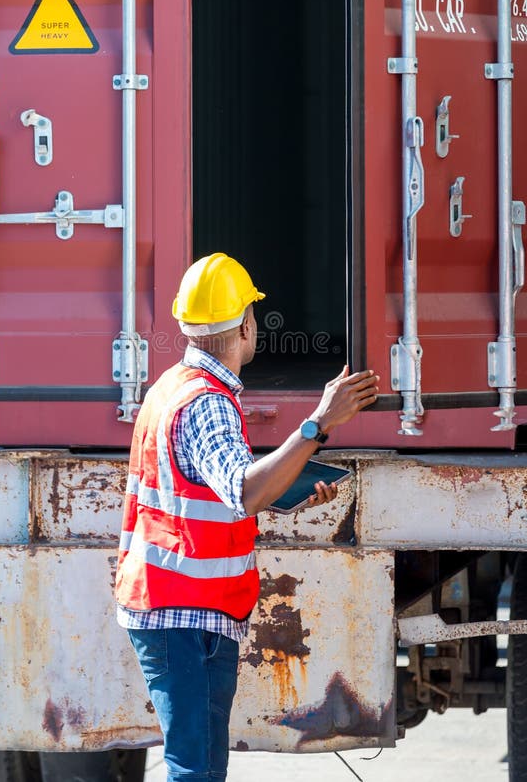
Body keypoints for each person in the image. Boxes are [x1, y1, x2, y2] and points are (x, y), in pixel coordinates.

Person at [115, 252, 379, 782]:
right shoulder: (206, 403)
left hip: (180, 607)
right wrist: (316, 426)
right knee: (196, 770)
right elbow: (240, 489)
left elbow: (216, 492)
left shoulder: (174, 386)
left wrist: (291, 486)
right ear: (244, 325)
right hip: (183, 612)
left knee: (200, 766)